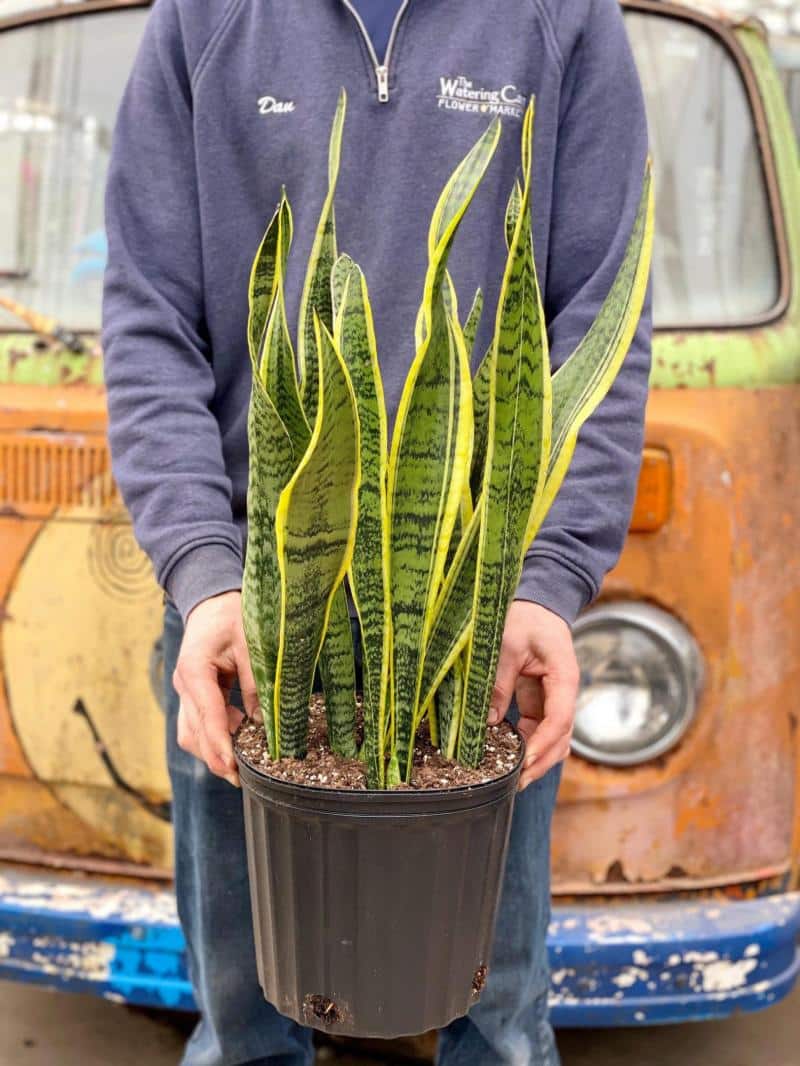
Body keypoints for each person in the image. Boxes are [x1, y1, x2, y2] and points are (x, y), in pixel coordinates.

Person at [102, 1, 652, 1063]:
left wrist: (543, 580)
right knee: (244, 1007)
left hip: (470, 636)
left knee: (495, 1013)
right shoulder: (204, 17)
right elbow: (147, 312)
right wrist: (206, 576)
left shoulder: (561, 15)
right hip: (248, 619)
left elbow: (600, 310)